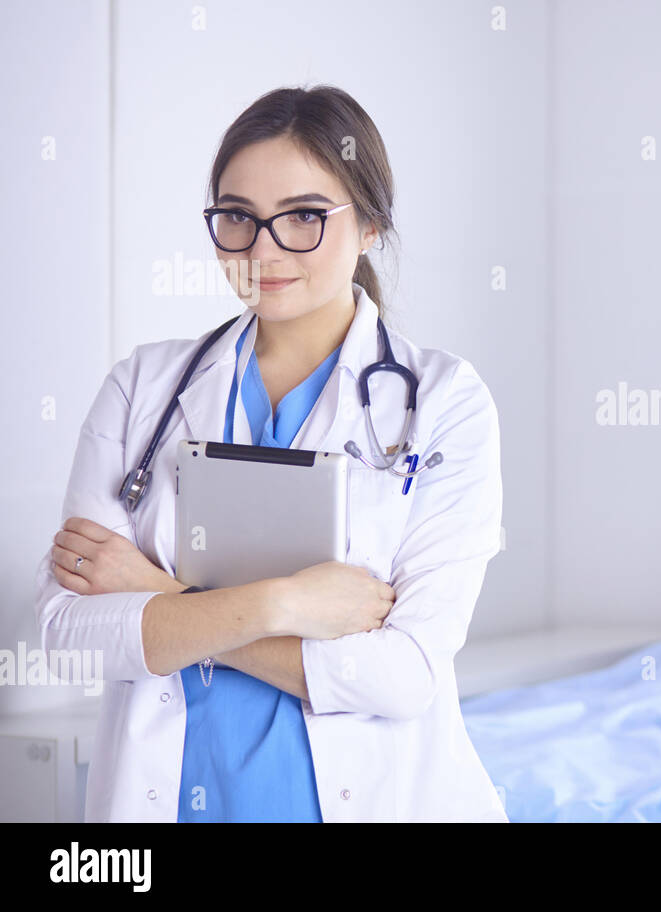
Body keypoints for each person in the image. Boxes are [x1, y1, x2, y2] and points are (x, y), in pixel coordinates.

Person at [35, 85, 506, 822]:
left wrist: (158, 595)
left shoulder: (444, 401)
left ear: (372, 224)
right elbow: (69, 633)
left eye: (305, 218)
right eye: (238, 218)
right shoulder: (142, 387)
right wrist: (283, 605)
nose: (263, 250)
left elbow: (403, 676)